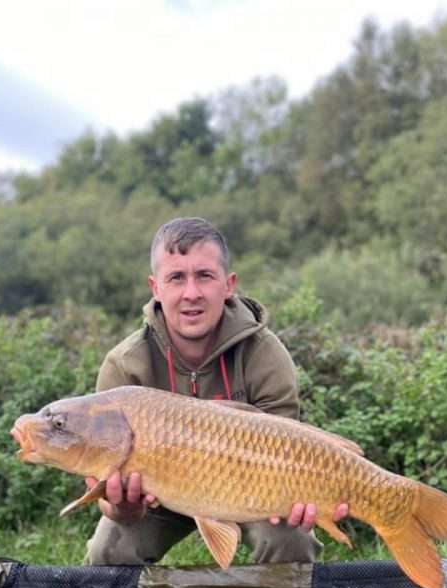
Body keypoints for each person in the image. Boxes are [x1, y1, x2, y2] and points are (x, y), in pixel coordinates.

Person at [85, 217, 348, 566]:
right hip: (159, 496)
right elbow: (104, 495)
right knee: (107, 550)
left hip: (248, 488)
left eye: (204, 276)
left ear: (229, 285)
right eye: (176, 278)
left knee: (291, 538)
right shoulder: (125, 366)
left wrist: (299, 496)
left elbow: (288, 455)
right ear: (156, 288)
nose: (191, 293)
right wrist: (121, 505)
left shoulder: (265, 354)